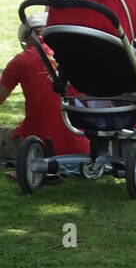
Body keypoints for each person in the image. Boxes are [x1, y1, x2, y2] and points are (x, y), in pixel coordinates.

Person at [0, 12, 90, 164]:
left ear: (28, 37)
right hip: (82, 148)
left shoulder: (21, 61)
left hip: (36, 146)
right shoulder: (78, 56)